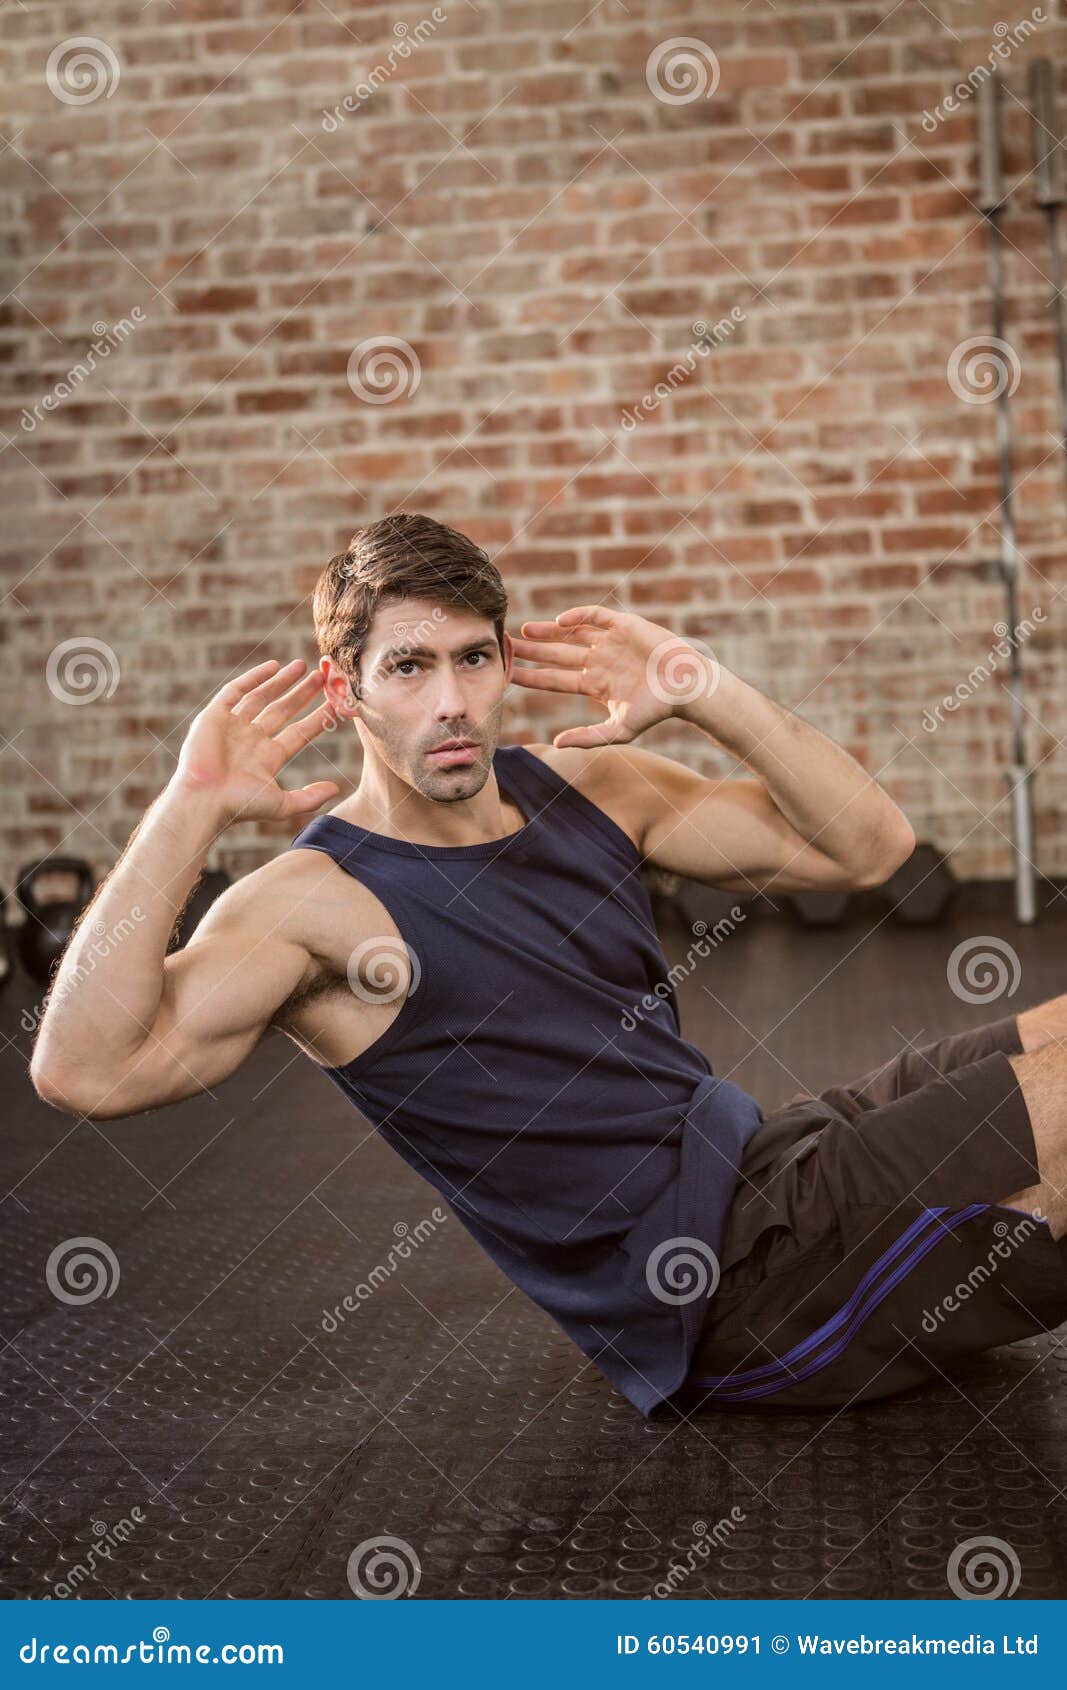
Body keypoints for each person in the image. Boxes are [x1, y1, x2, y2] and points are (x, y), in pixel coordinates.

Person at [29, 512, 1067, 1420]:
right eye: (408, 667)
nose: (452, 702)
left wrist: (701, 688)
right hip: (718, 1286)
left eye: (472, 659)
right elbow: (83, 1069)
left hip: (762, 1155)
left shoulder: (589, 788)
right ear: (346, 691)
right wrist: (189, 806)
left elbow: (868, 849)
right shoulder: (309, 908)